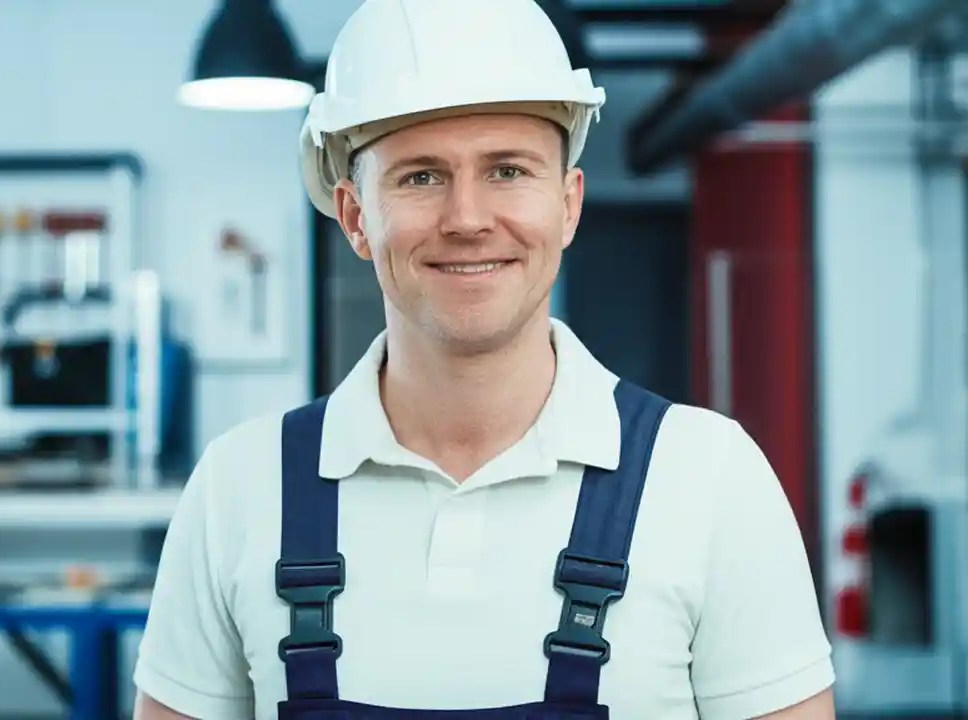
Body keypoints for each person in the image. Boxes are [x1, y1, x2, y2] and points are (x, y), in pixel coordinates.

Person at [133, 0, 836, 717]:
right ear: (353, 217)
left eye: (506, 170)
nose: (467, 219)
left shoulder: (711, 479)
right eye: (420, 177)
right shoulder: (238, 491)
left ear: (568, 205)